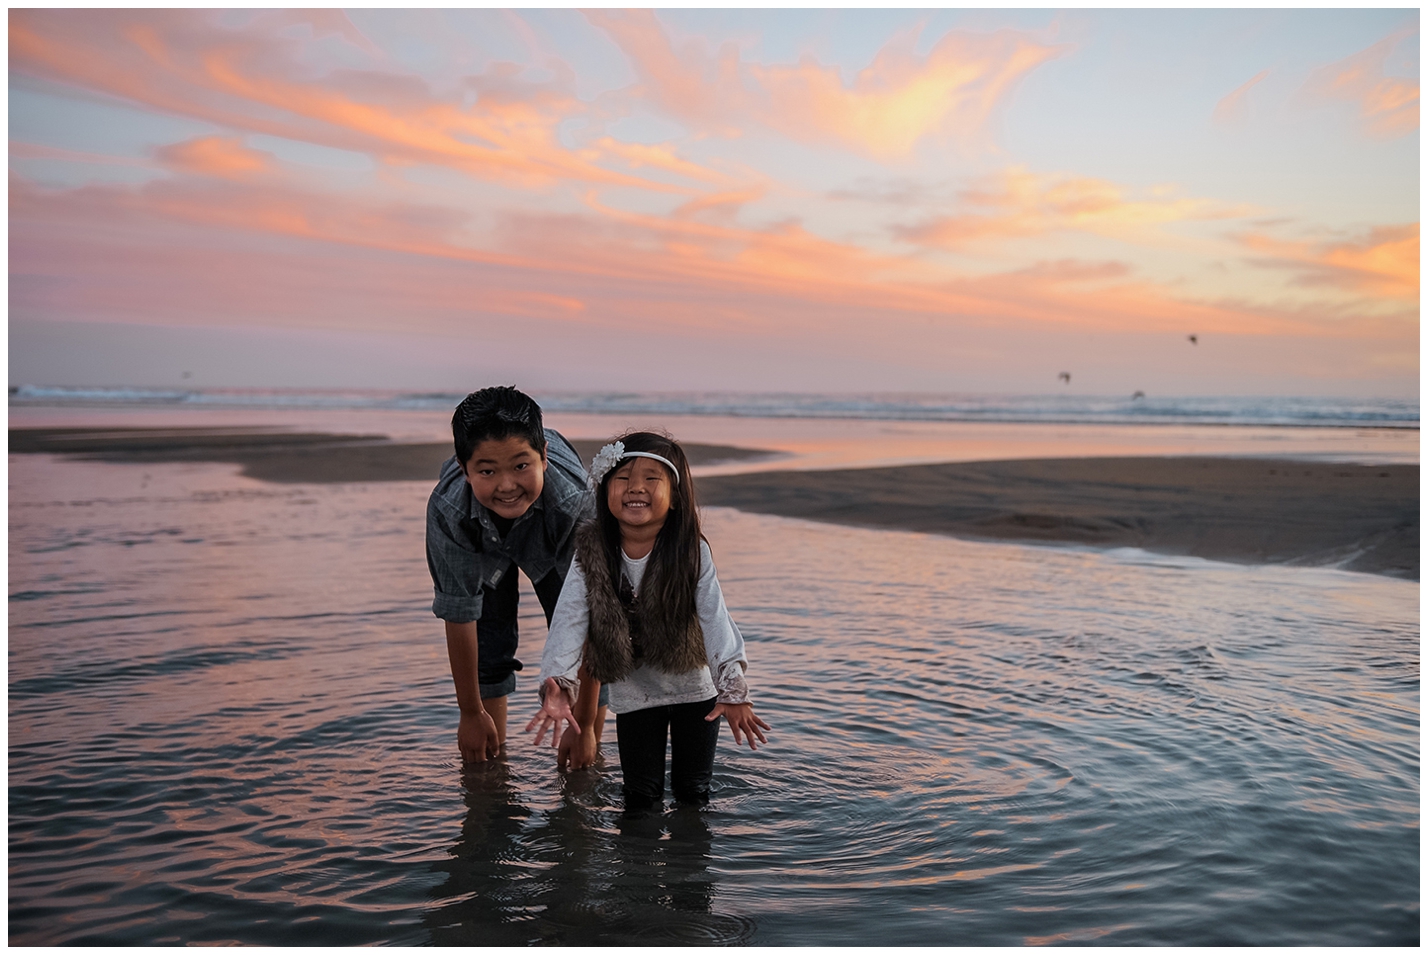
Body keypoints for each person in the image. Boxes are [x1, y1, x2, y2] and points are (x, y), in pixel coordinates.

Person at [527, 431, 770, 813]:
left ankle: (690, 868)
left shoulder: (691, 550)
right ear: (605, 491)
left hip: (696, 692)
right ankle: (634, 869)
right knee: (640, 795)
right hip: (635, 693)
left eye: (651, 479)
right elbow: (570, 618)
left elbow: (715, 619)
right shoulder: (589, 551)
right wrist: (558, 681)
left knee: (694, 793)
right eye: (622, 478)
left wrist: (733, 689)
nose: (634, 487)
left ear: (675, 496)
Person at [426, 386, 607, 762]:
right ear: (464, 469)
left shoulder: (576, 504)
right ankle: (492, 767)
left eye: (521, 466)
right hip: (480, 537)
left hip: (553, 532)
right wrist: (469, 713)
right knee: (489, 639)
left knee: (575, 631)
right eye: (487, 471)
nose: (507, 485)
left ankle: (584, 752)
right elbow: (459, 614)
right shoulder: (449, 510)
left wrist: (587, 724)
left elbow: (592, 618)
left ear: (542, 457)